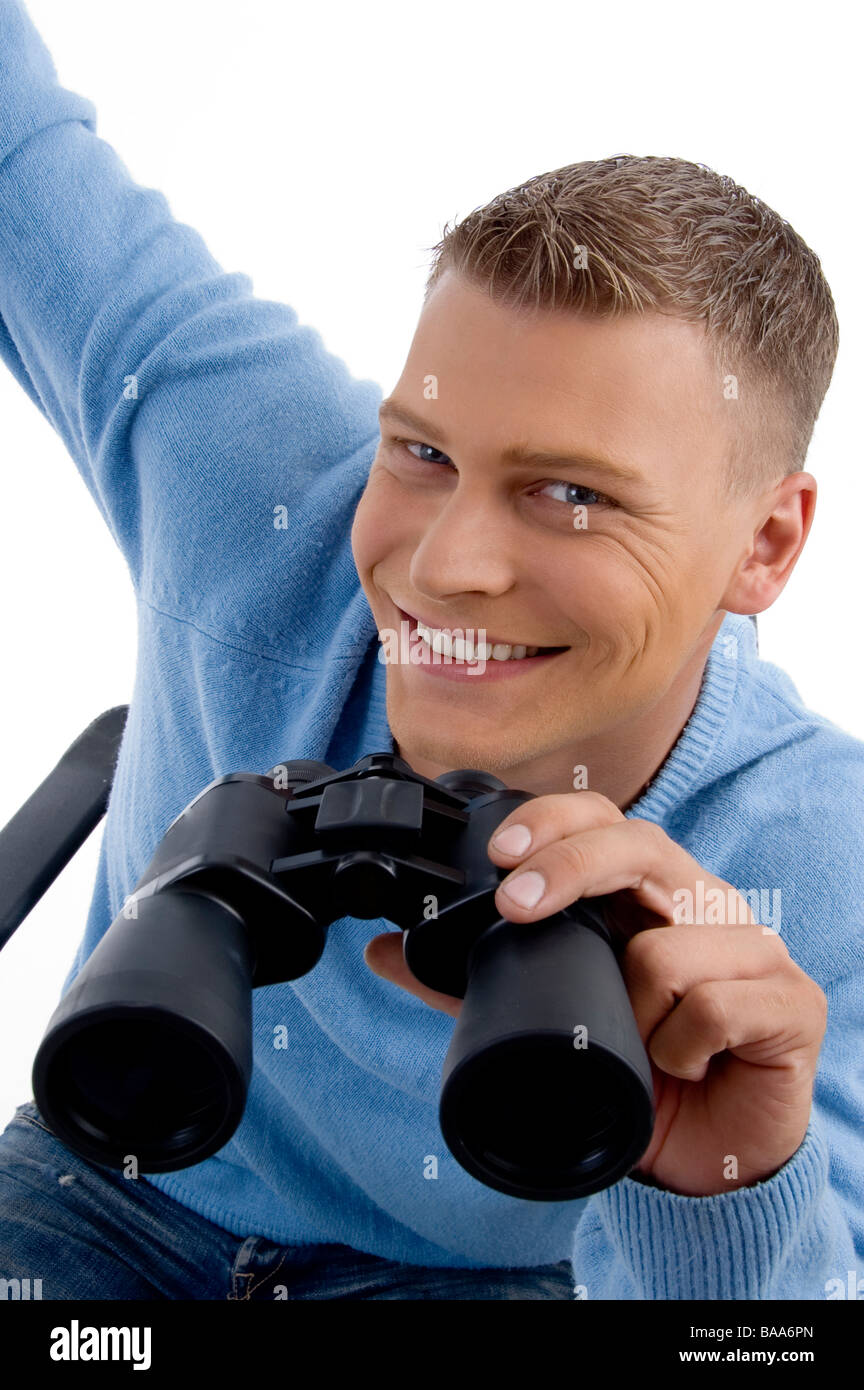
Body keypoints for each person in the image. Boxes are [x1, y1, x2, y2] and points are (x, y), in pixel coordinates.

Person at [0, 0, 861, 1301]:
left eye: (574, 492)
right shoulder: (246, 461)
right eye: (424, 452)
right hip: (115, 1180)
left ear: (766, 545)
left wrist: (722, 1194)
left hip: (476, 1277)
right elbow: (23, 159)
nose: (445, 560)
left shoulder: (824, 860)